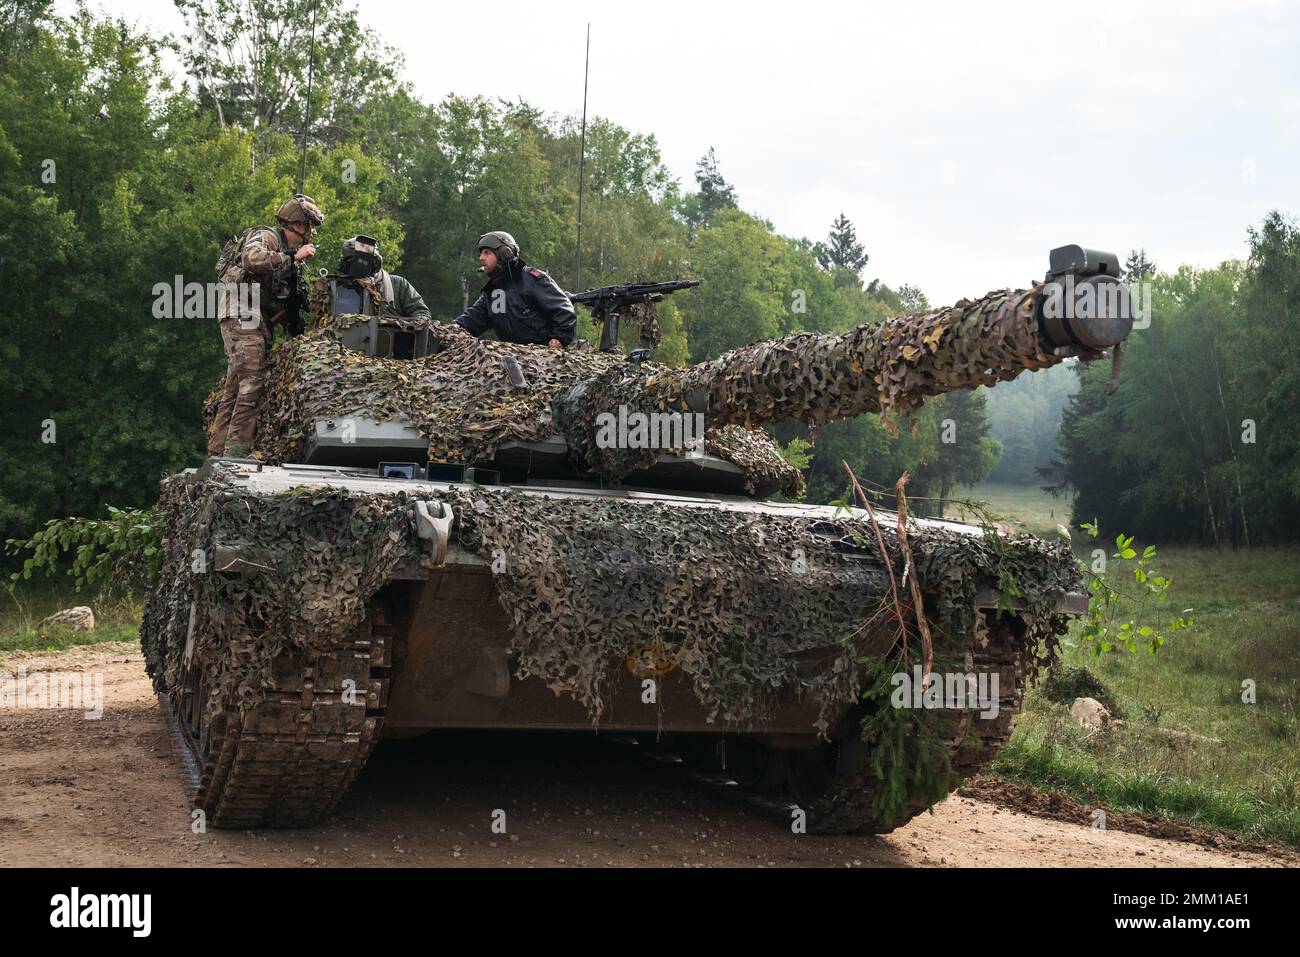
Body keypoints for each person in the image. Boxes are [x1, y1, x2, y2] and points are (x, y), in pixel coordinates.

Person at [207, 193, 323, 458]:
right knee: (253, 383)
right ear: (298, 225)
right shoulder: (268, 237)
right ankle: (234, 457)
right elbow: (251, 258)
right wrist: (292, 257)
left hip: (255, 319)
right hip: (241, 312)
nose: (311, 234)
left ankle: (216, 456)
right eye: (309, 227)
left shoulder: (291, 260)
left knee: (235, 390)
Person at [453, 231, 576, 348]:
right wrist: (448, 330)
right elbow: (471, 320)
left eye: (487, 253)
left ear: (504, 254)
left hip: (544, 355)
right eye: (481, 253)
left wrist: (559, 338)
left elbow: (563, 309)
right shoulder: (493, 293)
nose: (481, 258)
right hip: (514, 357)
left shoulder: (530, 279)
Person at [336, 235, 431, 321]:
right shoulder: (337, 288)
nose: (361, 265)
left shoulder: (398, 284)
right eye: (354, 262)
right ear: (345, 266)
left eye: (366, 261)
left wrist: (405, 327)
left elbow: (421, 313)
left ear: (376, 263)